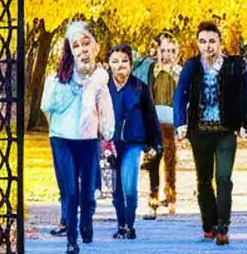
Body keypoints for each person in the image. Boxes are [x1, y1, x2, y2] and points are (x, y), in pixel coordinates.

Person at [174, 20, 247, 246]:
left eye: (212, 41)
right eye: (203, 41)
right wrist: (180, 123)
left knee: (223, 178)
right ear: (197, 44)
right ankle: (209, 225)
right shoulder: (191, 66)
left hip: (225, 131)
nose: (208, 46)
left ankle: (223, 226)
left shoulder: (237, 65)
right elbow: (180, 95)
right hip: (200, 132)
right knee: (203, 180)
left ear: (220, 43)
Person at [41, 21, 114, 254]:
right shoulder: (57, 78)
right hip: (61, 138)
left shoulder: (101, 78)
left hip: (88, 139)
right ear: (69, 51)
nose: (82, 49)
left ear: (95, 47)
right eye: (76, 45)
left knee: (87, 191)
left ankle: (86, 223)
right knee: (70, 190)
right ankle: (71, 240)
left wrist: (107, 132)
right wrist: (75, 86)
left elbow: (105, 108)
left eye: (86, 44)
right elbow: (47, 105)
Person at [106, 43, 163, 240]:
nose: (120, 65)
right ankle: (121, 225)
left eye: (124, 61)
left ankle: (130, 225)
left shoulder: (140, 87)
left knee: (129, 186)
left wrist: (156, 143)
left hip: (133, 142)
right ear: (108, 64)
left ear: (131, 64)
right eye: (115, 61)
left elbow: (151, 117)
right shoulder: (103, 89)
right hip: (109, 144)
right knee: (116, 189)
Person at [133, 32, 182, 219]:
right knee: (153, 159)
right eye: (163, 50)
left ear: (176, 53)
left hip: (170, 123)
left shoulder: (179, 73)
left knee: (170, 161)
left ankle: (171, 197)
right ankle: (153, 196)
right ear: (157, 51)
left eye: (171, 51)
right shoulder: (149, 71)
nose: (166, 54)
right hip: (153, 122)